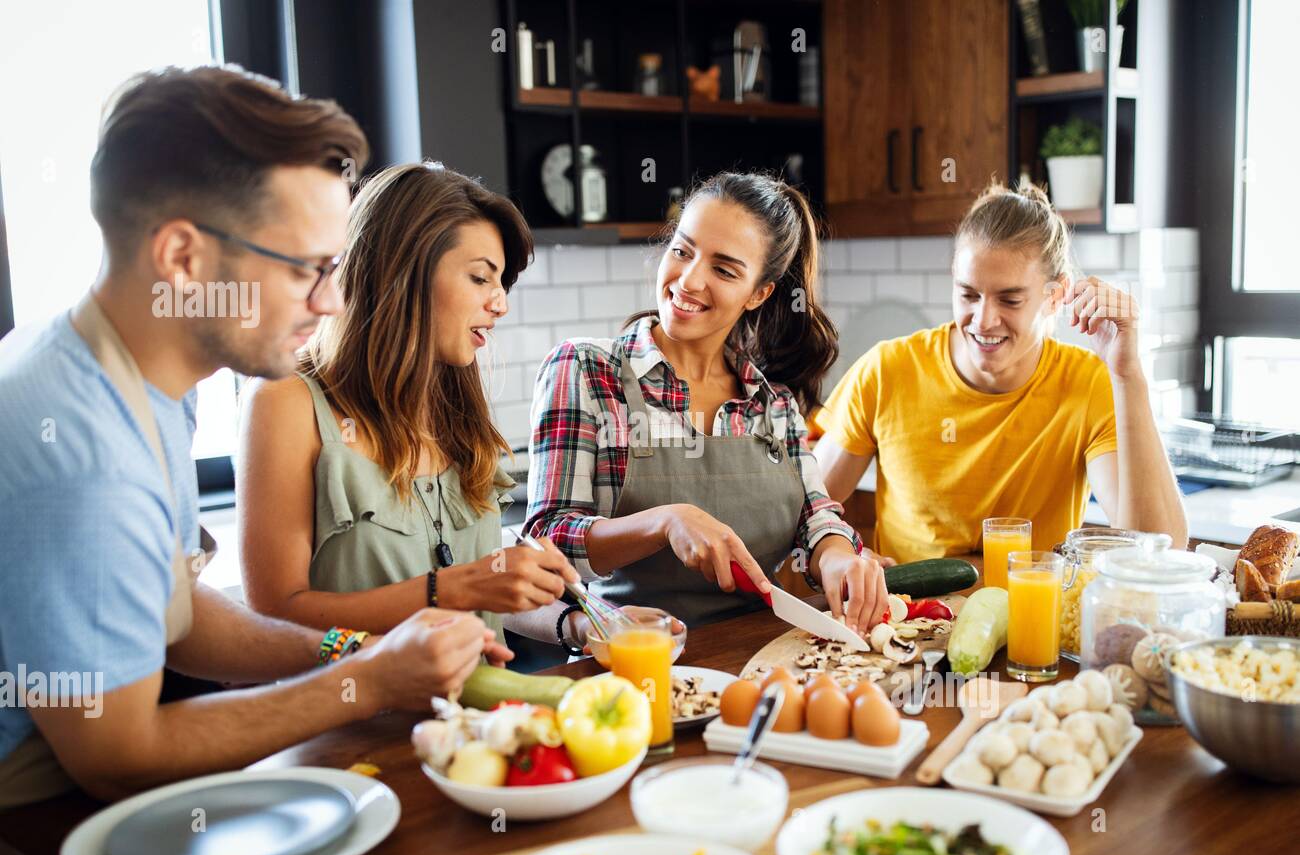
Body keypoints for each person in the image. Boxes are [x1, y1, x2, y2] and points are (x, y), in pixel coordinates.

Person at [0, 66, 499, 809]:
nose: (332, 300)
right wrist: (368, 681)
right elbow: (118, 755)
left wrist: (353, 649)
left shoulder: (140, 379)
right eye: (306, 268)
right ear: (183, 258)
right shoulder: (83, 450)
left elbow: (180, 610)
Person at [238, 162, 676, 651]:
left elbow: (489, 591)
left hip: (482, 724)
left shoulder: (450, 405)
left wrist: (584, 623)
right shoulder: (286, 402)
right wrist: (452, 589)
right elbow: (276, 615)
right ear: (402, 269)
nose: (500, 304)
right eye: (479, 278)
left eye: (500, 284)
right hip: (359, 719)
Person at [526, 171, 891, 634]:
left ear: (759, 293)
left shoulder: (772, 403)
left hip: (759, 661)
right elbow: (545, 545)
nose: (689, 280)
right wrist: (663, 522)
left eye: (723, 269)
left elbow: (814, 518)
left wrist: (837, 556)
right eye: (682, 250)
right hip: (634, 662)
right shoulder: (586, 371)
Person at [813, 180, 1188, 564]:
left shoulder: (1088, 384)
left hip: (1034, 621)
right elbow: (806, 511)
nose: (984, 320)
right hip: (910, 620)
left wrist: (1128, 376)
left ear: (1055, 296)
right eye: (968, 295)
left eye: (1010, 299)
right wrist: (846, 555)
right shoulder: (887, 371)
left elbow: (1160, 550)